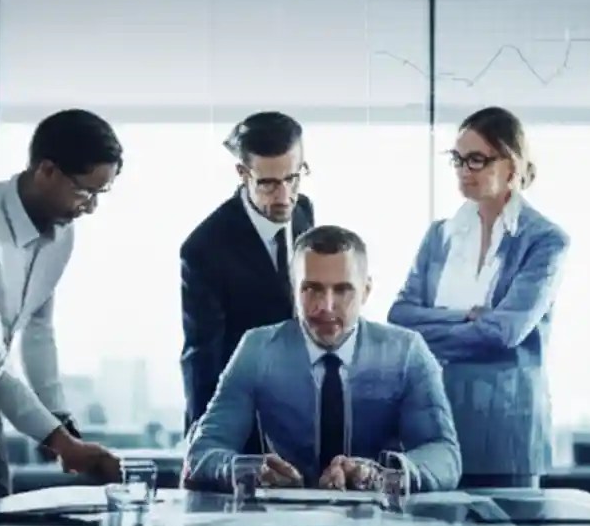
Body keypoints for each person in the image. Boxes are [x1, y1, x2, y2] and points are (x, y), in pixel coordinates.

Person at [0, 108, 122, 498]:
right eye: (86, 191)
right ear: (46, 170)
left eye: (102, 193)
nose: (91, 207)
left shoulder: (62, 229)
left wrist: (59, 417)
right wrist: (60, 441)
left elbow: (38, 327)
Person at [184, 225, 461, 492]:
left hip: (380, 522)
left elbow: (444, 456)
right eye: (312, 289)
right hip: (284, 524)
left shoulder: (407, 352)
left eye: (342, 290)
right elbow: (203, 453)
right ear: (294, 289)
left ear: (366, 291)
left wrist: (383, 477)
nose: (326, 306)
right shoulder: (258, 349)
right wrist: (251, 472)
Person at [387, 107, 567, 488]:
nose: (464, 170)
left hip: (506, 428)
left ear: (512, 166)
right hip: (435, 420)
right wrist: (465, 317)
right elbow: (400, 316)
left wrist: (434, 322)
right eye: (458, 159)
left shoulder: (544, 240)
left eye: (477, 160)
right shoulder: (440, 235)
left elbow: (504, 333)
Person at [180, 111, 314, 449]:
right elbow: (202, 353)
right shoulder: (204, 248)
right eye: (268, 183)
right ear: (242, 173)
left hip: (301, 412)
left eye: (293, 178)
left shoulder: (304, 212)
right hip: (242, 417)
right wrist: (204, 439)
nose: (284, 196)